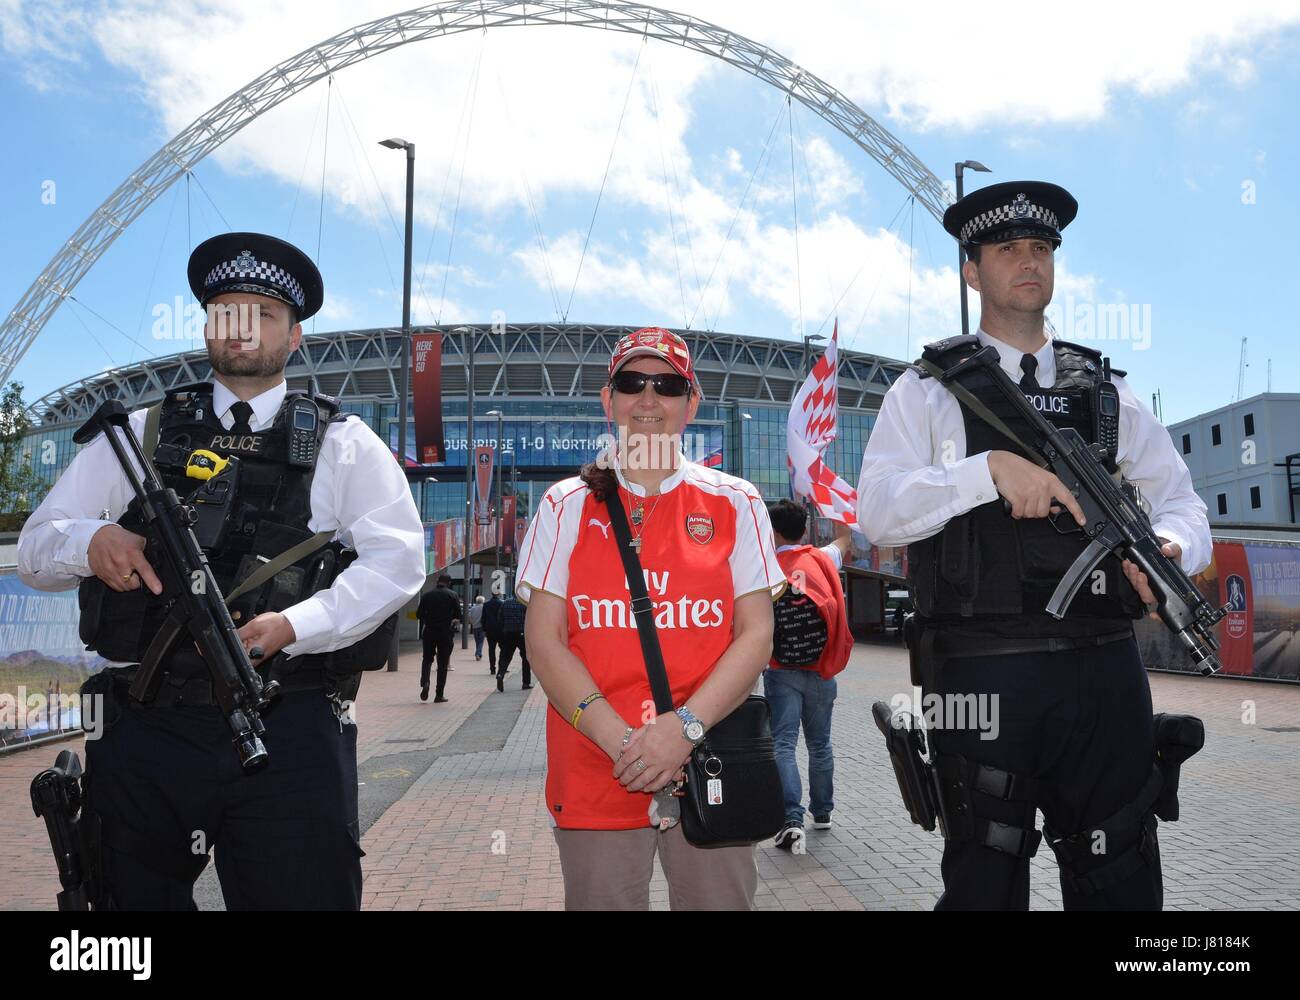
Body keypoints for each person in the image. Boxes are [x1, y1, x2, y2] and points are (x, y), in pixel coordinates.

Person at [18, 232, 425, 910]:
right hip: (146, 730)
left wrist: (295, 624)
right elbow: (36, 547)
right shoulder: (141, 432)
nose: (241, 328)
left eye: (262, 314)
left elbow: (399, 561)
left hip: (285, 723)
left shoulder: (344, 444)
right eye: (225, 311)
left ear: (294, 337)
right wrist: (91, 543)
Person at [856, 182, 1211, 910]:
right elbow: (880, 511)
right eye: (1008, 248)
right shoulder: (927, 390)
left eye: (1042, 248)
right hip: (982, 672)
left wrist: (1171, 547)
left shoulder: (1107, 392)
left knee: (1121, 873)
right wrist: (983, 473)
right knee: (985, 878)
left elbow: (1182, 502)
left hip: (1104, 667)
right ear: (971, 270)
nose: (1029, 261)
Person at [518, 326, 785, 911]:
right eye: (631, 382)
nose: (647, 399)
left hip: (710, 759)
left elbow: (756, 633)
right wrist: (624, 744)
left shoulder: (736, 501)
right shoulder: (563, 505)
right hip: (596, 764)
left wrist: (681, 730)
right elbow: (545, 641)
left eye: (666, 385)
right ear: (606, 399)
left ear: (691, 404)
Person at [763, 501, 854, 853]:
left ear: (774, 531)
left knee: (783, 744)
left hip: (782, 670)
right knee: (821, 744)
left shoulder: (767, 567)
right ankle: (823, 811)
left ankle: (791, 818)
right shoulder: (822, 558)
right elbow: (844, 539)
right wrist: (834, 503)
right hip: (821, 668)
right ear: (803, 529)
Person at [416, 573, 461, 703]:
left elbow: (419, 614)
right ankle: (439, 694)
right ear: (449, 583)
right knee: (442, 664)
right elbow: (458, 615)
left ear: (437, 581)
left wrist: (428, 619)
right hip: (445, 633)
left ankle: (425, 682)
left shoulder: (427, 595)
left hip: (429, 632)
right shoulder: (453, 595)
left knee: (427, 659)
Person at [495, 593, 531, 692]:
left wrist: (504, 630)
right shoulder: (525, 604)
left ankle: (500, 674)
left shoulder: (505, 603)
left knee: (505, 656)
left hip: (508, 633)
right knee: (526, 658)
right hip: (521, 633)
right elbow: (529, 619)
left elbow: (500, 618)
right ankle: (525, 683)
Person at [482, 591, 503, 675]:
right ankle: (502, 667)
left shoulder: (486, 604)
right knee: (503, 649)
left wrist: (484, 629)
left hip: (489, 630)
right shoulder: (501, 603)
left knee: (491, 649)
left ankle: (492, 668)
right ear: (498, 594)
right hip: (500, 630)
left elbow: (483, 617)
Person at [469, 594, 486, 661]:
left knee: (477, 641)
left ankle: (479, 653)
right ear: (483, 601)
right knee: (481, 641)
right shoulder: (483, 607)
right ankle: (478, 654)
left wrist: (472, 623)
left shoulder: (473, 608)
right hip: (481, 626)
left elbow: (469, 617)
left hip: (475, 626)